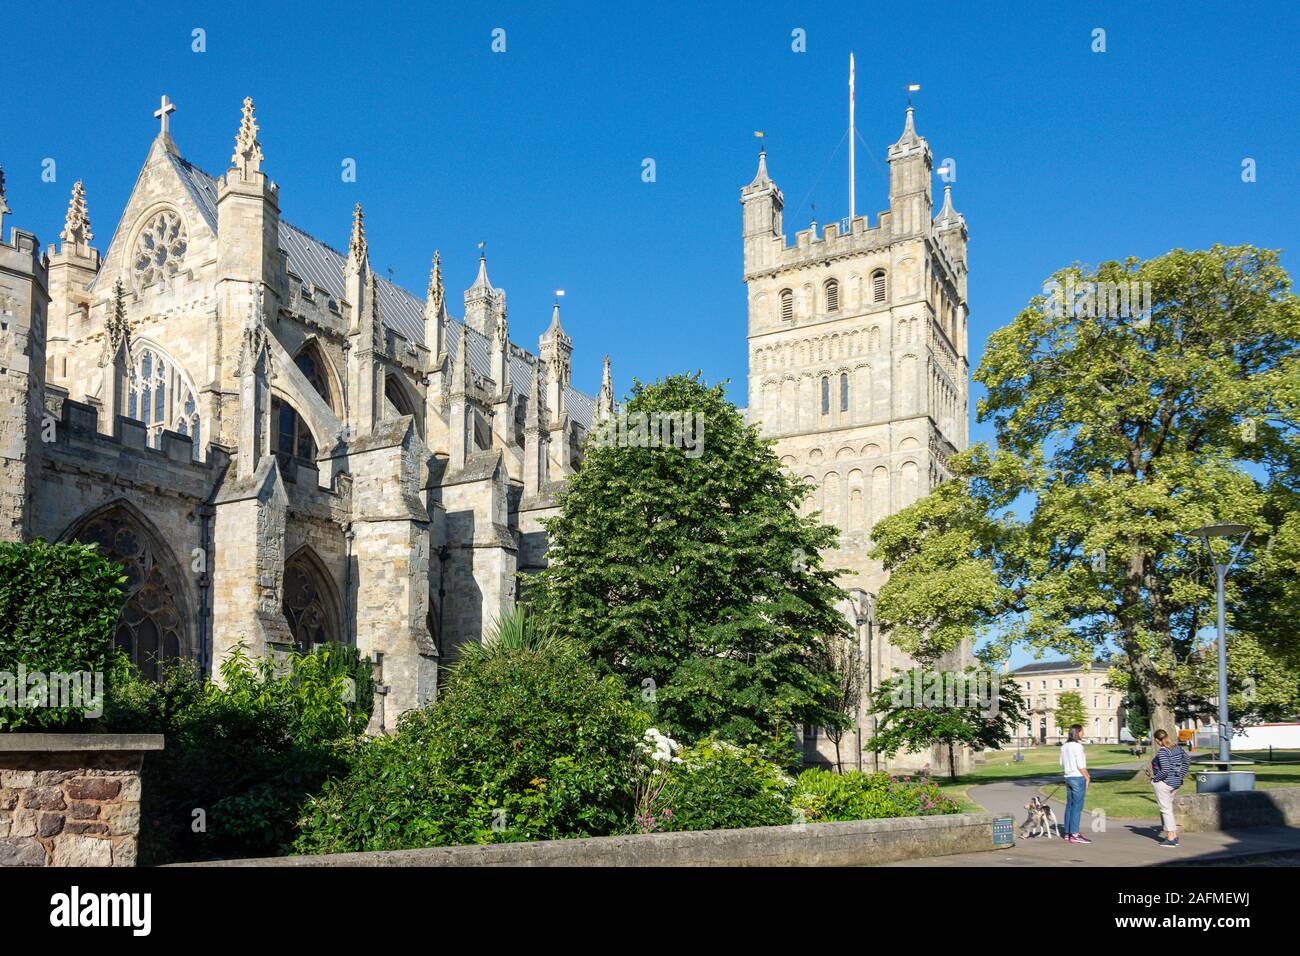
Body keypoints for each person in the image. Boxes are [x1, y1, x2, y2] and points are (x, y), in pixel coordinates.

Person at [1149, 729, 1191, 847]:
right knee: (1168, 809)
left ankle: (1171, 838)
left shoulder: (1163, 751)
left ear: (1157, 740)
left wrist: (1155, 779)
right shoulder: (1177, 747)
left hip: (1165, 783)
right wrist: (1181, 774)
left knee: (1166, 810)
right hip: (1176, 782)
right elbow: (1187, 760)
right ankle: (1173, 835)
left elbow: (1165, 770)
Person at [1059, 725, 1091, 844]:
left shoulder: (1064, 746)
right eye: (1082, 731)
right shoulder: (1078, 746)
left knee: (1070, 806)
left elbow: (1062, 763)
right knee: (1077, 807)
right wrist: (1087, 777)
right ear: (1078, 732)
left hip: (1068, 777)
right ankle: (1075, 834)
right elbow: (1081, 765)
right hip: (1077, 777)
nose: (1083, 733)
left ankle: (1068, 833)